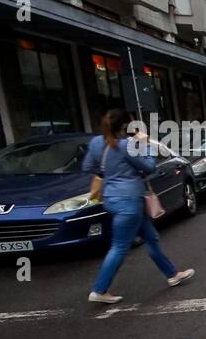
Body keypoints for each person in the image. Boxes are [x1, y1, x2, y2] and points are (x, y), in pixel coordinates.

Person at [83, 109, 194, 304]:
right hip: (129, 201)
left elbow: (88, 167)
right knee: (119, 247)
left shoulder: (96, 143)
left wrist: (110, 173)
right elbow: (150, 166)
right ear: (125, 127)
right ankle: (99, 289)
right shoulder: (128, 145)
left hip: (111, 198)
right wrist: (145, 145)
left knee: (151, 237)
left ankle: (172, 274)